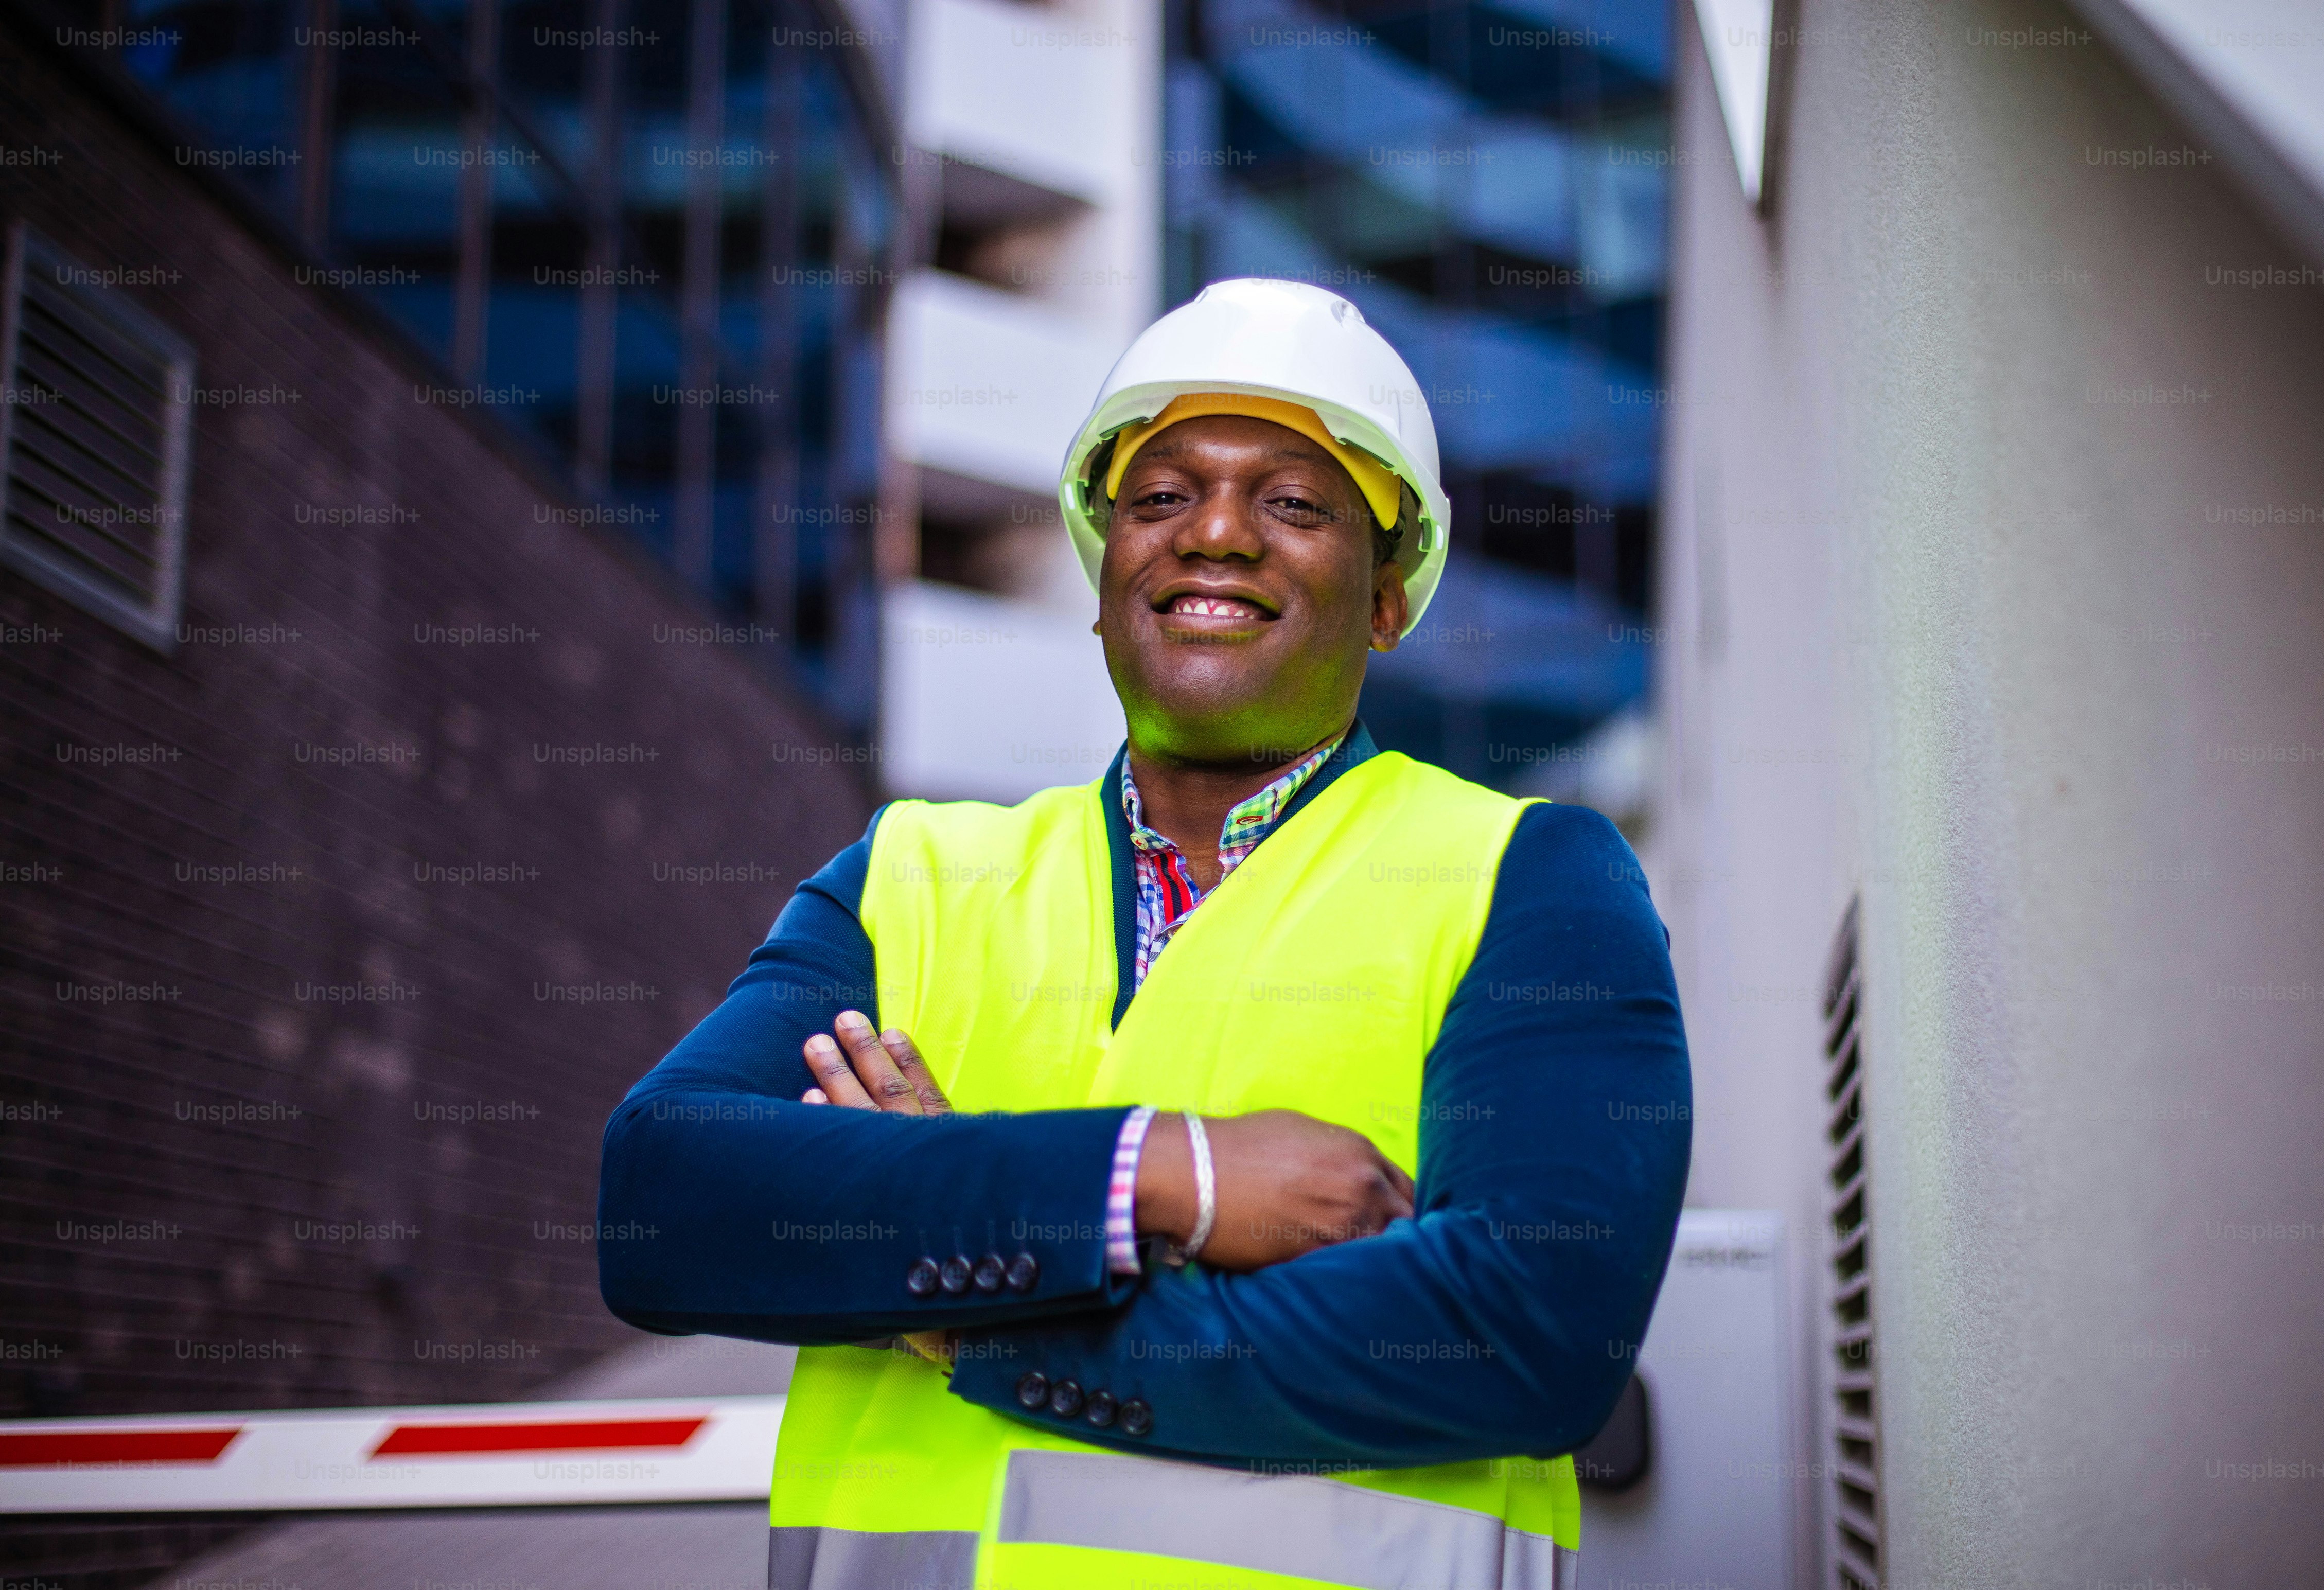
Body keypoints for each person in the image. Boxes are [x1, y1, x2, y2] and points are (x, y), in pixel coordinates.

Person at [598, 277, 1692, 1590]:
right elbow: (668, 1202)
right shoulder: (911, 874)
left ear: (1391, 597)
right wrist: (1160, 1178)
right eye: (1160, 497)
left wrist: (966, 1316)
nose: (1214, 534)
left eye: (1293, 502)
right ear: (1105, 576)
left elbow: (1520, 1333)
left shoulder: (1526, 880)